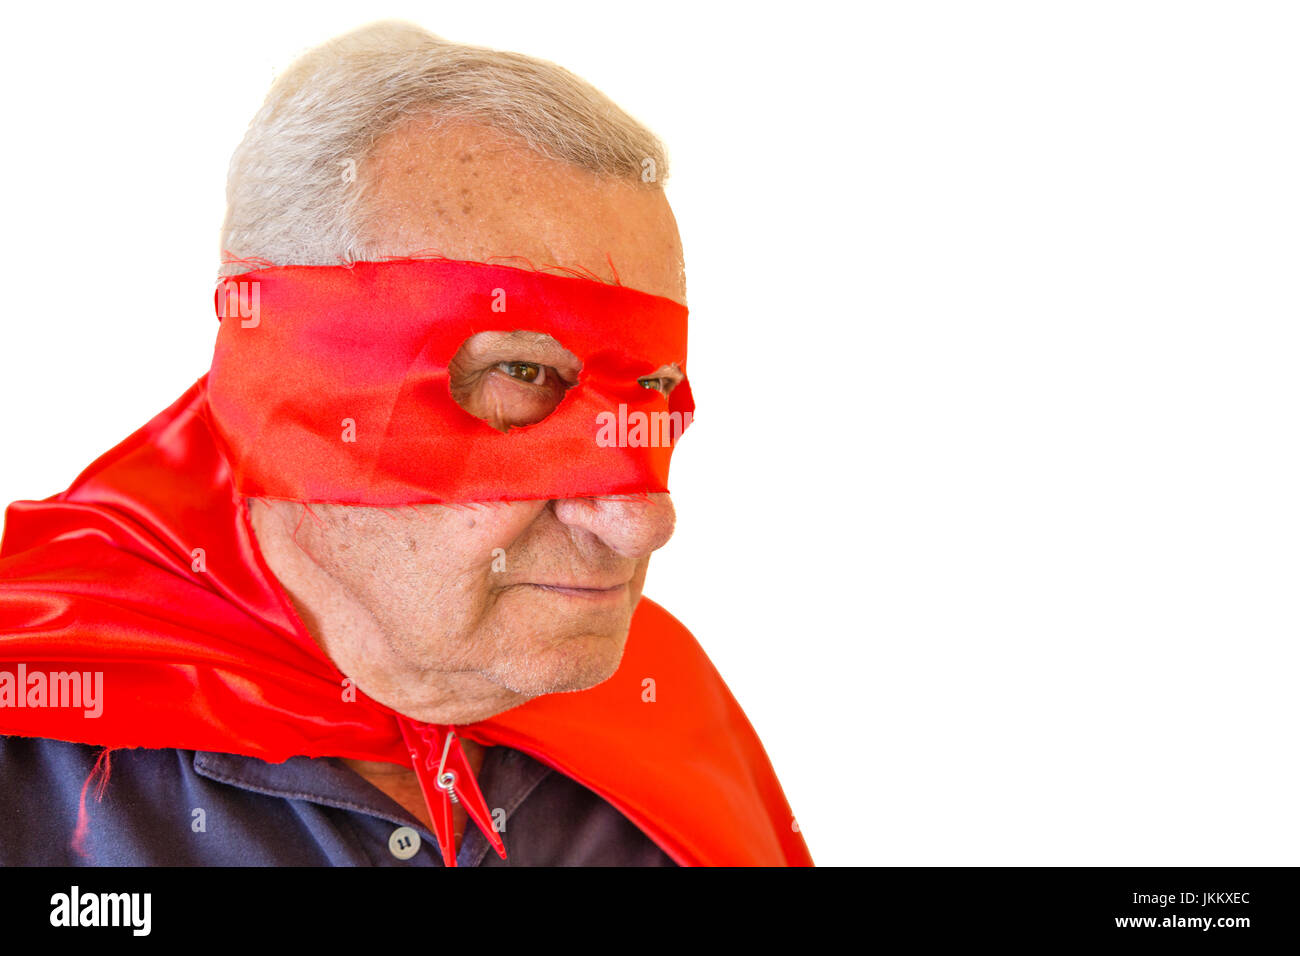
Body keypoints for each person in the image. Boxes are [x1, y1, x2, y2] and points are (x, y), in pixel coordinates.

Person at [0, 20, 812, 867]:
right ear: (299, 392)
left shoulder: (670, 719)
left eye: (652, 391)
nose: (641, 523)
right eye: (524, 376)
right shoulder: (34, 760)